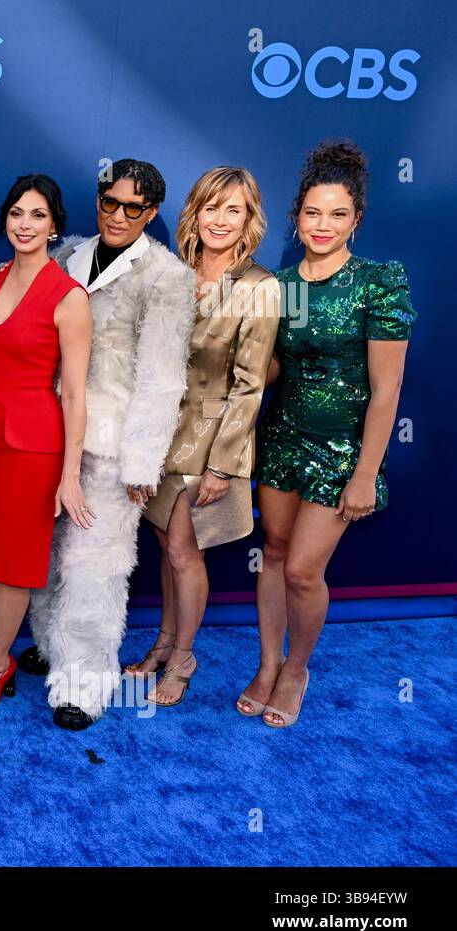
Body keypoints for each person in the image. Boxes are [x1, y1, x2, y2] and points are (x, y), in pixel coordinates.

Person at [13, 158, 196, 729]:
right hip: (47, 432)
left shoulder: (167, 277)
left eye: (132, 208)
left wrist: (143, 461)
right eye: (109, 203)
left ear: (152, 213)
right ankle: (50, 648)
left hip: (115, 448)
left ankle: (85, 685)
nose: (117, 215)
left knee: (95, 565)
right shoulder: (68, 254)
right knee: (44, 554)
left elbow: (164, 376)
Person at [248, 140, 415, 728]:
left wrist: (366, 471)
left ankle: (296, 669)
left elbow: (387, 388)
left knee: (301, 570)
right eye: (313, 213)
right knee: (272, 553)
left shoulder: (379, 282)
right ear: (298, 216)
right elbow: (275, 371)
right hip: (281, 439)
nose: (323, 225)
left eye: (337, 214)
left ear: (357, 220)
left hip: (342, 450)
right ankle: (267, 665)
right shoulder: (284, 286)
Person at [124, 166, 280, 707]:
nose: (220, 219)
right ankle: (164, 642)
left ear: (248, 220)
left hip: (212, 441)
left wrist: (222, 465)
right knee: (167, 547)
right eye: (212, 207)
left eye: (232, 210)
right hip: (161, 433)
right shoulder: (173, 272)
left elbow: (251, 385)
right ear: (196, 211)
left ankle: (185, 655)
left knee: (186, 551)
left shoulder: (260, 287)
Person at [0, 174, 93, 710]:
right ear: (5, 220)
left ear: (55, 226)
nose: (25, 225)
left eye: (37, 216)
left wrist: (70, 476)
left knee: (11, 569)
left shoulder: (70, 297)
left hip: (34, 451)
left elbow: (75, 394)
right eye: (16, 214)